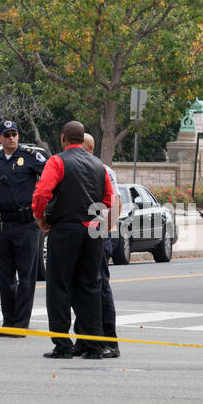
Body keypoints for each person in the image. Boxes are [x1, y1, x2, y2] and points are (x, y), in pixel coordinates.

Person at [33, 120, 112, 360]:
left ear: (63, 138)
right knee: (90, 286)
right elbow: (108, 200)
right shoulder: (99, 165)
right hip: (93, 229)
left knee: (59, 286)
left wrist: (40, 217)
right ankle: (93, 344)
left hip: (66, 228)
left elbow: (41, 193)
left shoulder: (57, 161)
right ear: (82, 139)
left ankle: (63, 344)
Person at [0, 120, 47, 337]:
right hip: (1, 224)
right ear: (0, 138)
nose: (11, 138)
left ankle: (21, 324)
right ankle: (8, 322)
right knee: (5, 276)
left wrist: (43, 207)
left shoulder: (31, 157)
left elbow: (50, 177)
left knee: (26, 275)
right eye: (7, 134)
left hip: (25, 224)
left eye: (14, 134)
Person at [73, 133, 121, 359]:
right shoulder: (76, 168)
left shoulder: (103, 170)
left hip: (98, 235)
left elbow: (115, 204)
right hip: (80, 236)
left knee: (100, 289)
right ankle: (84, 338)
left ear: (87, 148)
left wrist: (103, 234)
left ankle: (109, 341)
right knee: (79, 289)